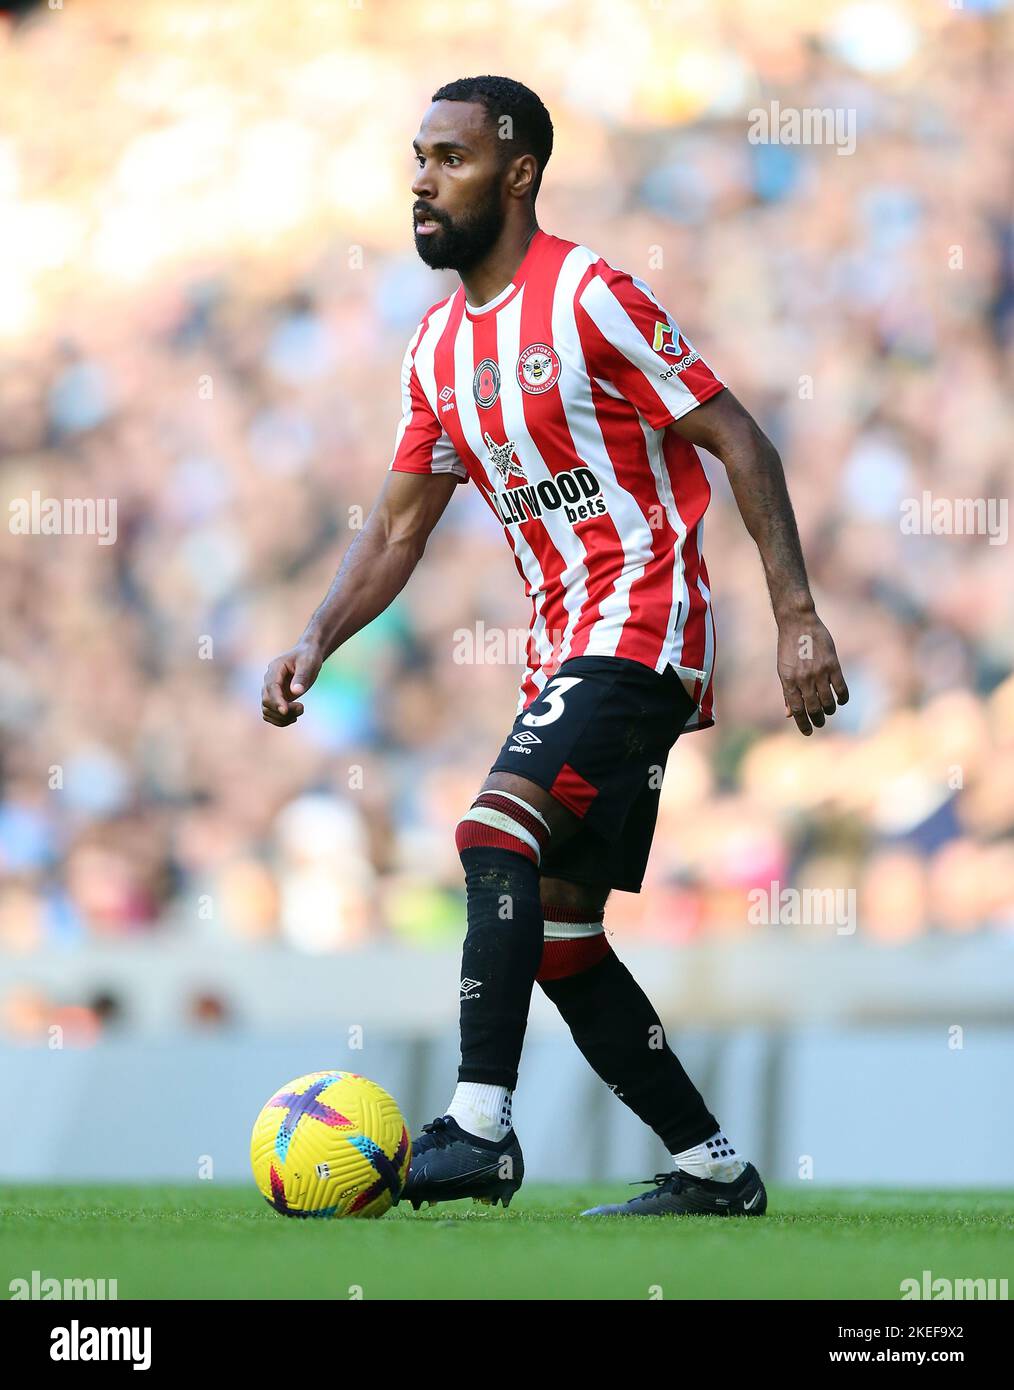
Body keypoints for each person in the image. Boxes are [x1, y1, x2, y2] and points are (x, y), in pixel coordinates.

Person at [261, 75, 848, 1217]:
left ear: (517, 170)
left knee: (494, 830)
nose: (423, 180)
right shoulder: (435, 349)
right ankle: (713, 1168)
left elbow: (740, 438)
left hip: (644, 620)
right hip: (562, 647)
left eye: (451, 157)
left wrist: (796, 615)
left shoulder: (589, 293)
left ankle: (480, 1125)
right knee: (566, 936)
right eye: (418, 157)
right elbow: (394, 528)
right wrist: (315, 636)